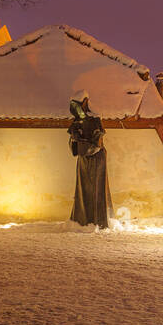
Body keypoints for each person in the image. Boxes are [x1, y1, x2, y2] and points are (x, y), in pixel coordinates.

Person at [68, 94, 111, 227]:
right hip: (83, 160)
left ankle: (98, 221)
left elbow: (97, 144)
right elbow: (73, 148)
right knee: (82, 190)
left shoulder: (94, 120)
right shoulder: (76, 122)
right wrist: (75, 139)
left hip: (96, 159)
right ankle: (82, 219)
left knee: (96, 190)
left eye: (78, 106)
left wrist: (81, 142)